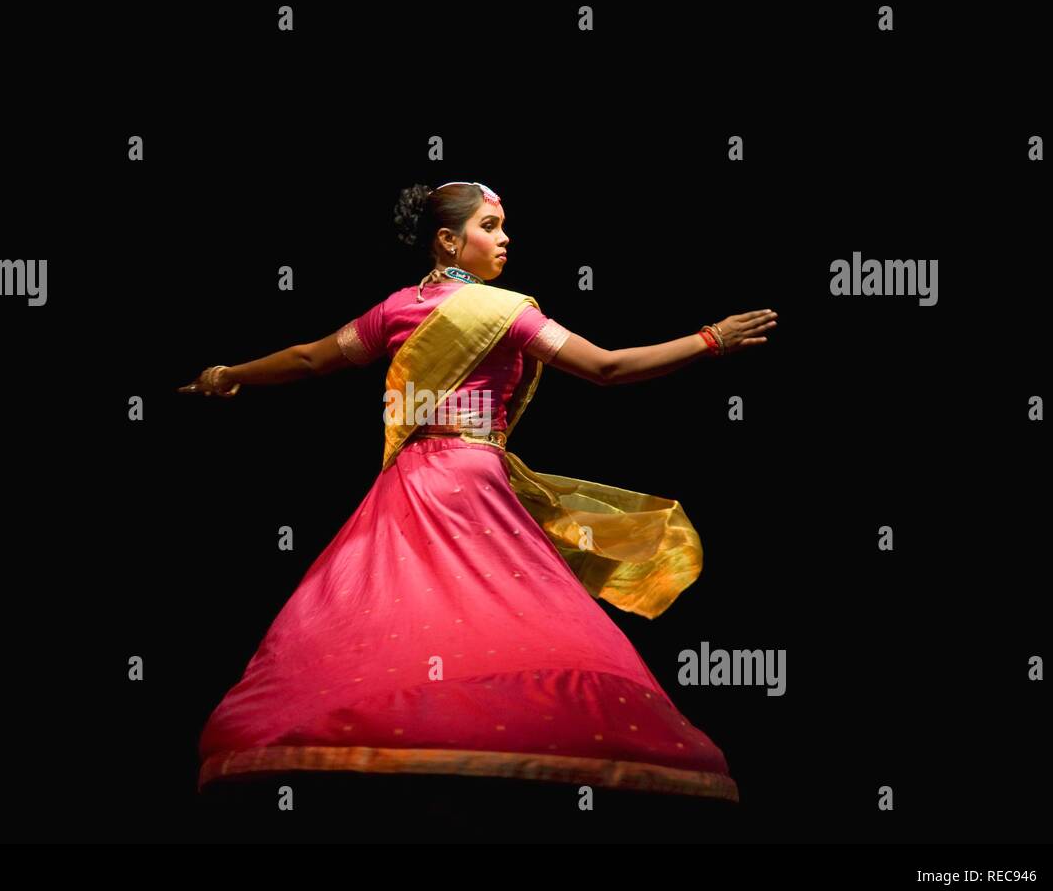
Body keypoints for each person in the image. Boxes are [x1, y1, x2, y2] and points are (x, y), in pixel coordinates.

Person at [178, 181, 778, 801]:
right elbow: (608, 367)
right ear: (448, 239)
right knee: (512, 613)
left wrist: (228, 375)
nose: (504, 237)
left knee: (388, 615)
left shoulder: (394, 309)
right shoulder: (508, 311)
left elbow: (308, 359)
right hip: (472, 481)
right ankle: (504, 744)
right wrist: (711, 340)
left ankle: (380, 742)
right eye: (489, 226)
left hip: (410, 482)